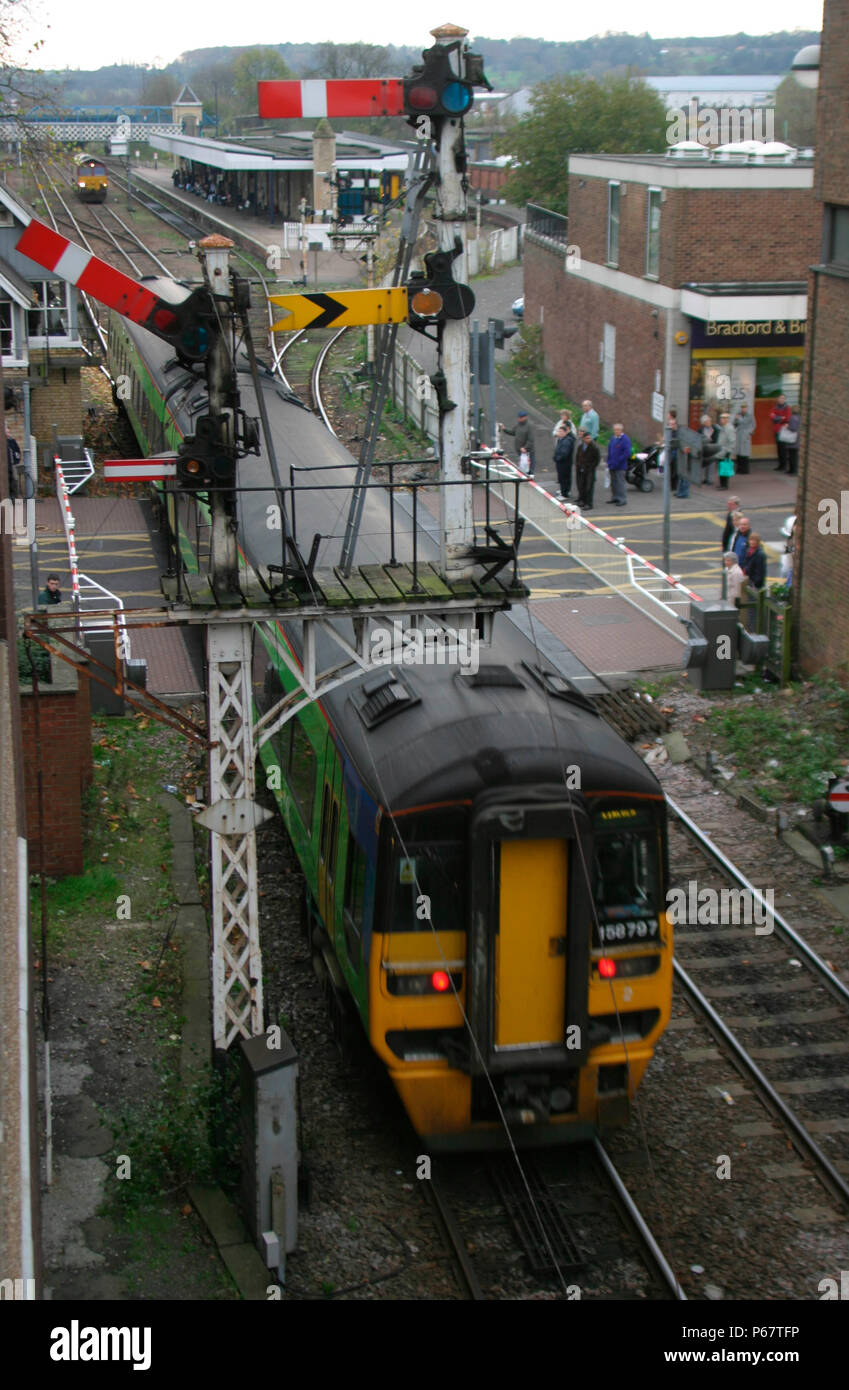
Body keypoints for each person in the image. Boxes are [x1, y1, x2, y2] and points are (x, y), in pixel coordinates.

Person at [498, 410, 535, 477]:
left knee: (529, 465)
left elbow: (531, 440)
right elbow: (513, 432)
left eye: (521, 417)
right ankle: (525, 475)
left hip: (527, 451)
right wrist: (504, 429)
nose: (519, 419)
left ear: (525, 417)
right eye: (519, 417)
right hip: (520, 450)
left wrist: (525, 447)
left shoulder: (529, 426)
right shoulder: (518, 425)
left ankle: (530, 475)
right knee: (523, 465)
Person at [574, 428, 600, 509]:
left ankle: (589, 504)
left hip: (589, 470)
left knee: (589, 487)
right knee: (582, 485)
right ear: (583, 439)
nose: (588, 440)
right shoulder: (580, 447)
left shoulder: (594, 447)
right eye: (587, 438)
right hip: (581, 469)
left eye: (589, 438)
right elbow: (577, 457)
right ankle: (583, 501)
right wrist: (577, 465)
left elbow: (597, 459)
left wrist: (591, 467)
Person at [606, 422, 631, 506]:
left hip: (620, 466)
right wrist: (609, 461)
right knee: (613, 483)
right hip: (612, 465)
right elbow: (609, 449)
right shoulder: (613, 438)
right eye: (615, 430)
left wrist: (618, 461)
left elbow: (627, 453)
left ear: (621, 430)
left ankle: (622, 499)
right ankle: (615, 497)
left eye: (617, 430)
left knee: (620, 482)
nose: (616, 431)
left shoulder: (625, 439)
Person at [770, 393, 792, 471]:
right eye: (780, 398)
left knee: (783, 449)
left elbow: (788, 418)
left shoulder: (787, 408)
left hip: (783, 431)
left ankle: (784, 465)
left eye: (783, 398)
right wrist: (781, 418)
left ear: (785, 400)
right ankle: (780, 465)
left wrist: (778, 418)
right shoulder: (774, 408)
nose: (781, 400)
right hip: (776, 430)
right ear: (778, 399)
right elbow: (772, 417)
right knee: (779, 448)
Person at [553, 424, 575, 500]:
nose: (559, 433)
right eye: (559, 431)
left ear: (565, 432)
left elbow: (564, 453)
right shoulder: (561, 440)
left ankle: (564, 494)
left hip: (564, 463)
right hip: (561, 463)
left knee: (564, 478)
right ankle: (563, 491)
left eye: (561, 431)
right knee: (562, 478)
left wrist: (557, 458)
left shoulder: (566, 441)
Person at [732, 403, 755, 476]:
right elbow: (734, 424)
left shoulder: (750, 416)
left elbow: (753, 425)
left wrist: (749, 432)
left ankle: (745, 470)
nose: (743, 409)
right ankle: (739, 469)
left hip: (745, 435)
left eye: (744, 408)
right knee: (739, 452)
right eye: (742, 407)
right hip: (739, 434)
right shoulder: (738, 415)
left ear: (747, 408)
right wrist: (735, 419)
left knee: (745, 453)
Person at [716, 412, 737, 489]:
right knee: (721, 468)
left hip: (725, 451)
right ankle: (722, 484)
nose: (721, 420)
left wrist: (729, 451)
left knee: (725, 468)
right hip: (721, 451)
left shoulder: (729, 428)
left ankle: (725, 485)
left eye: (723, 418)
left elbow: (732, 441)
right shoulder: (724, 427)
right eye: (721, 418)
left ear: (726, 419)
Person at [699, 414, 719, 485]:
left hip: (712, 448)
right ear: (703, 423)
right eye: (706, 421)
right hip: (704, 449)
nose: (708, 422)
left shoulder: (715, 429)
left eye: (709, 421)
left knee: (711, 464)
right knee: (703, 464)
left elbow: (716, 439)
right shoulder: (701, 429)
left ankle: (709, 480)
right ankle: (703, 478)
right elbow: (699, 439)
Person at [665, 408, 680, 492]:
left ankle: (674, 485)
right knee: (670, 467)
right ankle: (671, 484)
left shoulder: (675, 428)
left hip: (674, 450)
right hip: (671, 449)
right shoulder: (670, 426)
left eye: (668, 414)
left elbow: (675, 438)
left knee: (674, 467)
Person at [783, 409, 801, 476]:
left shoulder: (792, 418)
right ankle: (793, 470)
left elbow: (793, 428)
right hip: (797, 438)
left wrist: (787, 427)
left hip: (792, 439)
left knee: (792, 456)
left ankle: (793, 470)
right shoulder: (800, 417)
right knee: (794, 456)